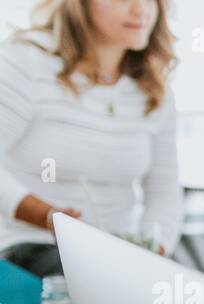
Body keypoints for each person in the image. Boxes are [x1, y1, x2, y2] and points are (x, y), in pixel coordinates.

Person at [0, 0, 180, 277]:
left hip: (118, 255)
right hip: (31, 249)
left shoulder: (153, 88)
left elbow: (164, 191)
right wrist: (49, 218)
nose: (141, 9)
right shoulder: (27, 61)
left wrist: (153, 253)